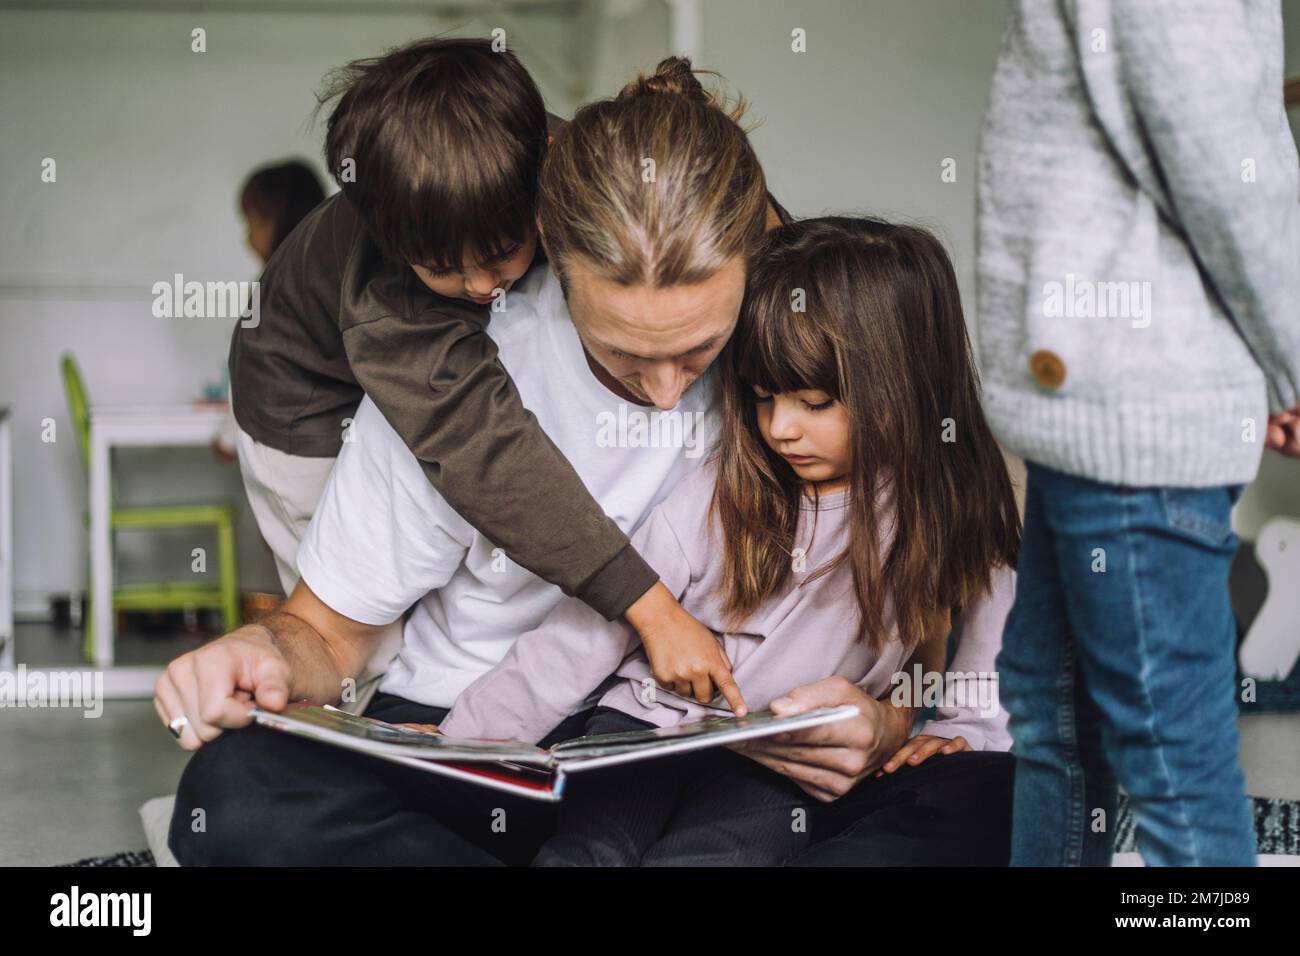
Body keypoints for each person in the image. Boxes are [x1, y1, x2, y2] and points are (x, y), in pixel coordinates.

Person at [163, 59, 1008, 866]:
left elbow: (907, 575)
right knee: (236, 795)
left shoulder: (792, 356)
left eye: (700, 351)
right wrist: (262, 656)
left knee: (992, 796)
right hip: (482, 739)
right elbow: (327, 632)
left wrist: (887, 727)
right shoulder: (450, 383)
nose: (672, 393)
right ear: (547, 257)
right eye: (625, 356)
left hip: (712, 754)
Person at [441, 216, 1021, 866]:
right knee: (590, 850)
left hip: (779, 762)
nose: (779, 428)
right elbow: (583, 635)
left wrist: (967, 729)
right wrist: (464, 742)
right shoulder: (722, 488)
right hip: (647, 729)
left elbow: (990, 623)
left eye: (812, 401)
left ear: (906, 382)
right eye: (764, 396)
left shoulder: (950, 500)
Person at [224, 38, 747, 714]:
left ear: (539, 166)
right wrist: (651, 608)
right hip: (301, 404)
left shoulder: (568, 158)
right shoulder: (395, 305)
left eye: (504, 253)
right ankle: (361, 747)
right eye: (444, 268)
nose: (479, 285)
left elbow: (723, 213)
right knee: (367, 638)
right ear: (390, 240)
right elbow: (487, 452)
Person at [977, 0, 1300, 866]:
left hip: (1131, 403)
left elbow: (1227, 165)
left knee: (1169, 761)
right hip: (1086, 409)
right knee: (1052, 714)